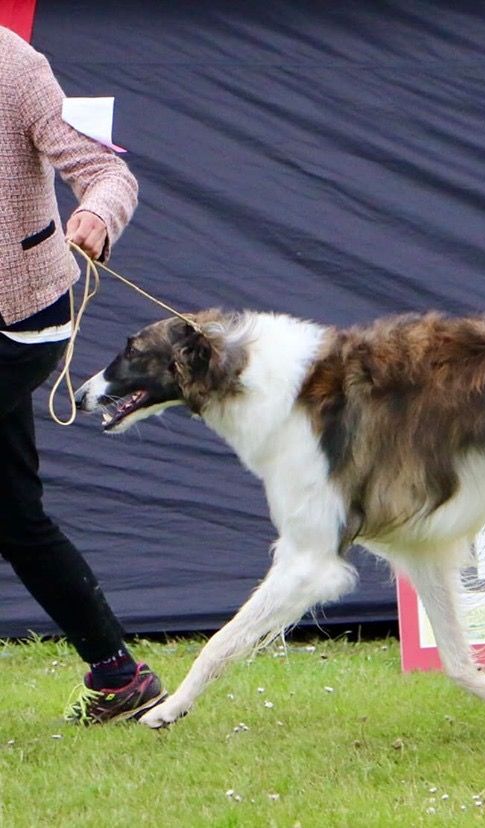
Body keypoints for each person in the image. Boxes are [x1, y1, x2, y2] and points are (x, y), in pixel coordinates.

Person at [0, 26, 166, 723]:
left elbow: (106, 171)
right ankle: (120, 678)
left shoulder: (15, 66)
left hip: (23, 318)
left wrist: (96, 215)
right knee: (13, 514)